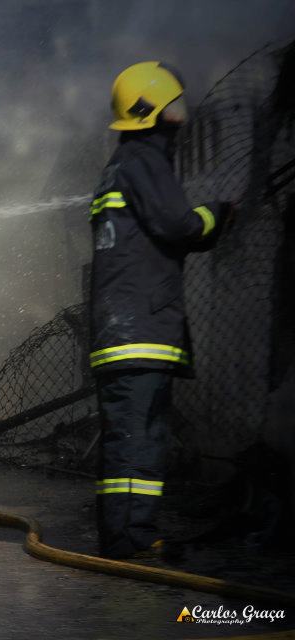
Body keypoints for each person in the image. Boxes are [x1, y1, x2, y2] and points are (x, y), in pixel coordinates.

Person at [89, 61, 230, 559]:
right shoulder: (143, 162)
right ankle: (129, 539)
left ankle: (130, 532)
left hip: (128, 328)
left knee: (137, 438)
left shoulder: (124, 165)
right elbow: (178, 226)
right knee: (135, 441)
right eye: (174, 101)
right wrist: (219, 214)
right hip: (138, 328)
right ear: (152, 111)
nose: (183, 109)